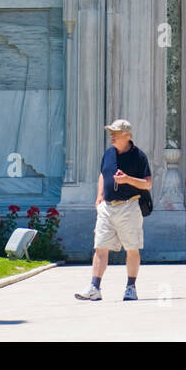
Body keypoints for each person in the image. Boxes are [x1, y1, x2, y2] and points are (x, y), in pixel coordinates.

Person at [75, 119, 153, 302]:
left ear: (127, 135)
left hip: (129, 206)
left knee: (132, 248)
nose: (111, 136)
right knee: (100, 247)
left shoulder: (139, 156)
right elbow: (103, 174)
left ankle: (131, 287)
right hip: (107, 207)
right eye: (111, 132)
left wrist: (127, 179)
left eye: (115, 133)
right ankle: (94, 287)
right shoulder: (109, 153)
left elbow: (147, 183)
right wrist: (99, 197)